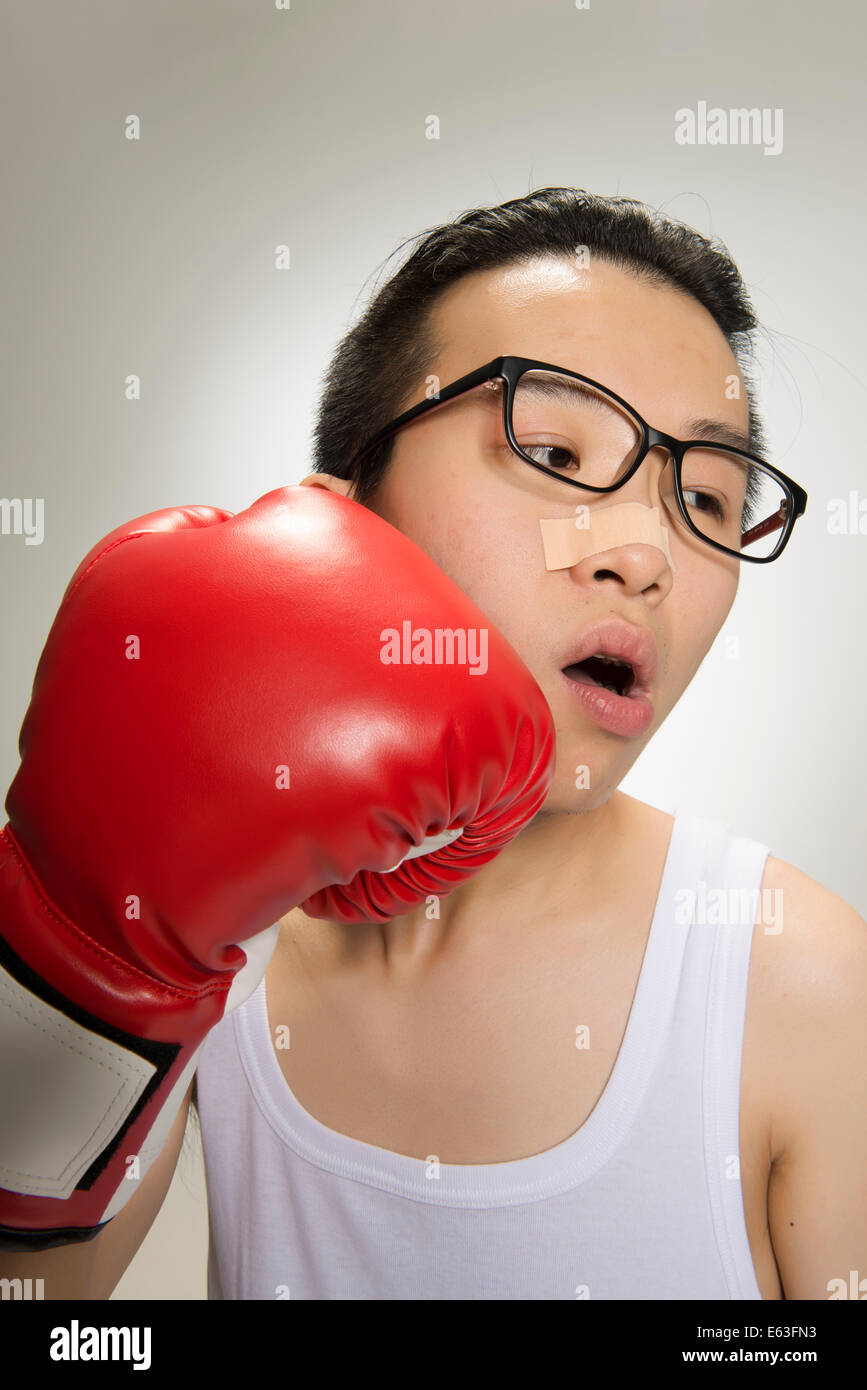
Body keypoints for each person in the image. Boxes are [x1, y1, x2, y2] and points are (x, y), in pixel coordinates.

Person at [7, 188, 865, 1300]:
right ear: (340, 517)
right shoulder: (221, 935)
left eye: (705, 494)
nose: (644, 551)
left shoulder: (798, 978)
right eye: (554, 445)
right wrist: (79, 957)